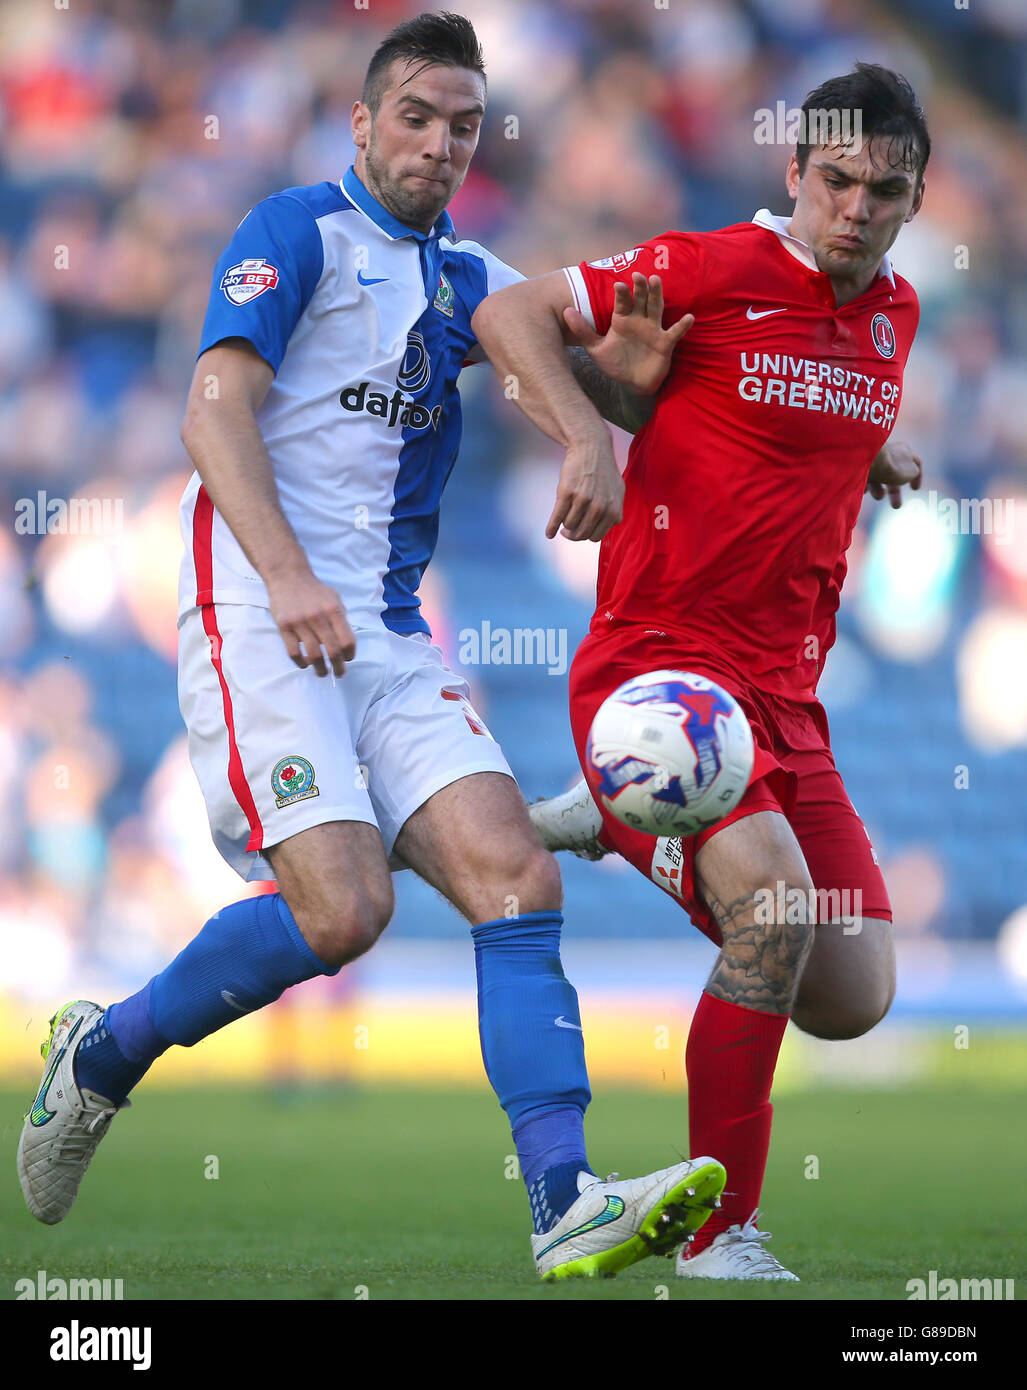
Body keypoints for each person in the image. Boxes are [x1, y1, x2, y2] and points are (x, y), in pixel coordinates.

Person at [17, 11, 727, 1282]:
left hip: (388, 632)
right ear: (363, 121)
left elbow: (600, 380)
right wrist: (287, 574)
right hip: (257, 599)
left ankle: (562, 1197)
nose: (440, 145)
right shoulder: (292, 231)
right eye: (417, 117)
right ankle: (104, 1054)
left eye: (464, 126)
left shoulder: (470, 279)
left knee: (518, 877)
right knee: (345, 912)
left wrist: (634, 385)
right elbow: (210, 406)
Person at [471, 62, 928, 1280]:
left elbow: (794, 408)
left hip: (787, 696)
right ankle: (721, 1236)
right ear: (794, 175)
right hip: (658, 666)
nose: (855, 207)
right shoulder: (713, 265)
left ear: (913, 200)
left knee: (850, 991)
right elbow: (507, 315)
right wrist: (586, 434)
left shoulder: (895, 316)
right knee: (772, 911)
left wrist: (872, 452)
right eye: (834, 180)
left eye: (884, 190)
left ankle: (620, 818)